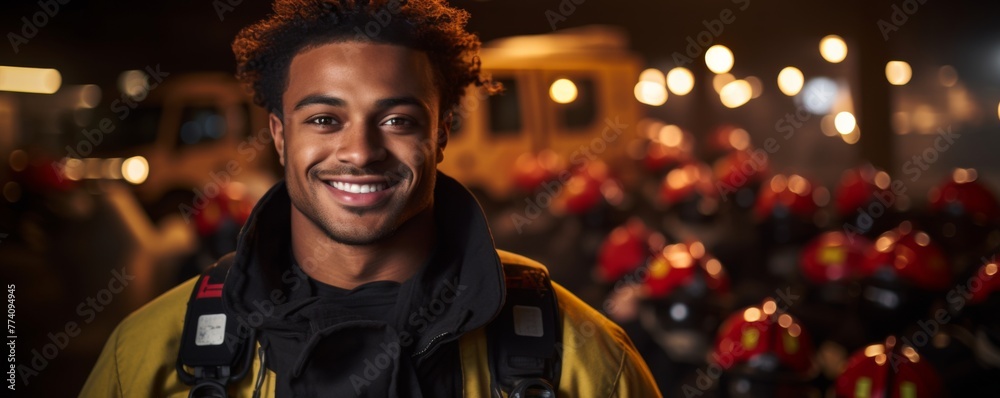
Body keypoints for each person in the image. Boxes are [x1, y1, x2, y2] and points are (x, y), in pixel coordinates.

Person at [80, 0, 661, 396]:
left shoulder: (584, 359)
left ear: (441, 133)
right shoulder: (147, 355)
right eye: (326, 118)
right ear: (281, 135)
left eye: (398, 119)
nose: (359, 151)